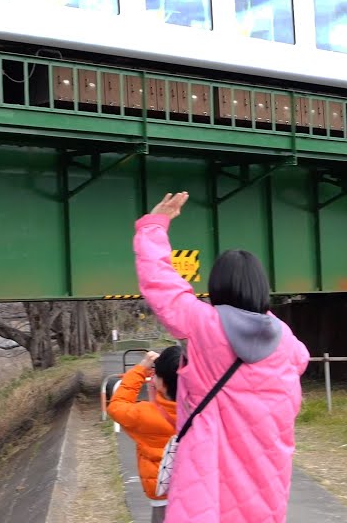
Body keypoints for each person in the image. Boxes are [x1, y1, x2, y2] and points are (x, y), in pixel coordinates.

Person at [133, 192, 310, 523]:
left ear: (216, 287)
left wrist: (154, 226)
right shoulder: (286, 339)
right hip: (267, 469)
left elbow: (160, 282)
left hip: (207, 466)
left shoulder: (203, 325)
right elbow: (301, 360)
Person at [106, 346, 182, 523]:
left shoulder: (145, 415)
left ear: (161, 383)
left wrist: (141, 369)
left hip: (163, 493)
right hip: (201, 489)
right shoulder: (206, 412)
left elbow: (117, 405)